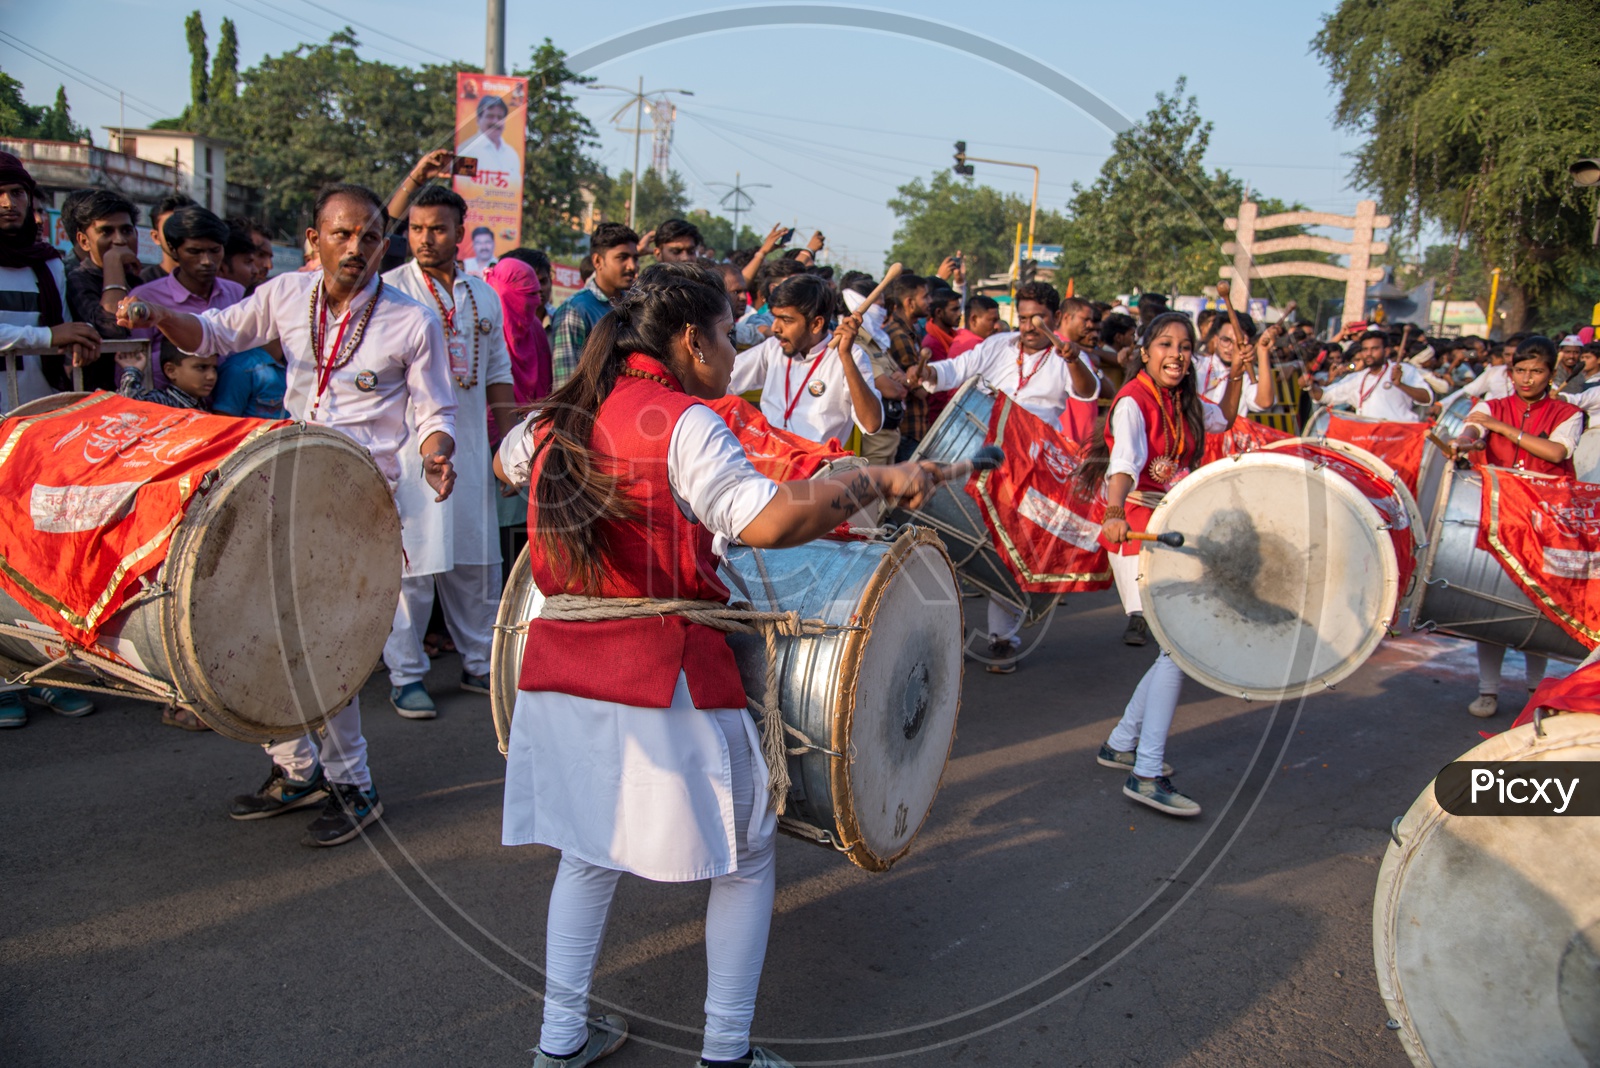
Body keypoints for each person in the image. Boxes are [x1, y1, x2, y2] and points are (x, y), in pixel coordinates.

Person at [492, 266, 938, 1068]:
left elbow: (506, 461)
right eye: (731, 335)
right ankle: (724, 1055)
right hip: (659, 677)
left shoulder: (559, 413)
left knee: (588, 855)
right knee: (745, 858)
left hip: (560, 673)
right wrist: (873, 478)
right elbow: (765, 522)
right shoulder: (686, 423)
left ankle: (558, 1044)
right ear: (691, 342)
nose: (736, 352)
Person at [116, 182, 458, 847]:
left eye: (368, 237)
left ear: (382, 246)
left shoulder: (411, 322)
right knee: (265, 631)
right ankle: (297, 769)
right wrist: (160, 320)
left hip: (356, 504)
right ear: (314, 239)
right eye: (341, 234)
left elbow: (434, 410)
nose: (355, 248)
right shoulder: (282, 296)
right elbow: (211, 336)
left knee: (321, 645)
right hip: (283, 488)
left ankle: (354, 785)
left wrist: (438, 452)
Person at [1077, 312, 1247, 816]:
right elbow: (1124, 463)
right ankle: (1146, 773)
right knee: (1178, 649)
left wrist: (1237, 371)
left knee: (1174, 648)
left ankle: (1121, 742)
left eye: (1186, 346)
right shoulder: (1133, 400)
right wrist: (1111, 513)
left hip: (1171, 526)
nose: (1177, 353)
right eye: (1166, 344)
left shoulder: (1185, 400)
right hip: (1136, 529)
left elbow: (1228, 419)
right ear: (1145, 351)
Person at [909, 281, 1100, 669]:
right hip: (979, 454)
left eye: (1039, 318)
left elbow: (1088, 390)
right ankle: (948, 628)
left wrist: (1074, 361)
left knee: (1006, 549)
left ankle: (1001, 638)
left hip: (1032, 465)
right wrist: (928, 370)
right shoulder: (999, 344)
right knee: (950, 535)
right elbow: (955, 370)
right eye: (1025, 316)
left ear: (1056, 318)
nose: (1030, 326)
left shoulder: (1067, 355)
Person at [381, 184, 515, 719]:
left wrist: (509, 445)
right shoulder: (389, 290)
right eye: (416, 229)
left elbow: (499, 374)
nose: (425, 239)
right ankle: (406, 675)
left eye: (437, 228)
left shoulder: (483, 294)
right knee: (413, 564)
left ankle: (479, 663)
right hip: (410, 445)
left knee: (475, 558)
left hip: (472, 450)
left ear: (462, 233)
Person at [0, 151, 99, 729]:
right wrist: (46, 335)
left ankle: (47, 669)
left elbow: (66, 330)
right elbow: (48, 330)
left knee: (36, 552)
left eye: (17, 192)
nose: (9, 204)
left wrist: (74, 342)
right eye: (0, 193)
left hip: (37, 426)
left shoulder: (49, 265)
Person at [1448, 336, 1583, 720]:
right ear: (1511, 372)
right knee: (1489, 604)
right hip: (1498, 515)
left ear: (1550, 372)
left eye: (1536, 371)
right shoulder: (1493, 405)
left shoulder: (1567, 413)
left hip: (1545, 521)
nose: (1527, 379)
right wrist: (1466, 441)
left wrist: (1498, 428)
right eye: (1521, 371)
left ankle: (1536, 689)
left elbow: (1556, 453)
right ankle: (1487, 690)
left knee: (1536, 607)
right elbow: (1472, 432)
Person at [727, 273, 883, 446]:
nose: (775, 328)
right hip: (771, 459)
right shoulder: (772, 347)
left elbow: (872, 424)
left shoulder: (852, 356)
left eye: (786, 320)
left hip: (817, 469)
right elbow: (725, 379)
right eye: (775, 317)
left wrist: (845, 357)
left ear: (816, 324)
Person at [127, 207, 243, 393]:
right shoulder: (146, 299)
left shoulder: (237, 294)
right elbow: (131, 366)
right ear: (173, 250)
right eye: (194, 251)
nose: (206, 260)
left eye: (214, 250)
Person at [548, 222, 638, 391]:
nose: (632, 266)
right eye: (622, 257)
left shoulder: (634, 306)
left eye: (635, 257)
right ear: (597, 261)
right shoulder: (574, 310)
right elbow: (566, 386)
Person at [1299, 329, 1429, 420]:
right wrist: (1309, 386)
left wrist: (1400, 385)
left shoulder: (1403, 370)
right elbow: (1325, 395)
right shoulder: (1357, 378)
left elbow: (1427, 398)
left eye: (1374, 349)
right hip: (1368, 438)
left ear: (1387, 351)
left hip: (1400, 437)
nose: (1369, 354)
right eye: (1365, 349)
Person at [485, 255, 552, 404]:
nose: (536, 301)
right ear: (505, 293)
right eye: (528, 294)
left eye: (536, 293)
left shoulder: (535, 329)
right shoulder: (484, 328)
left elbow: (545, 386)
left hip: (530, 420)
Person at [883, 273, 932, 460]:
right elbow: (920, 391)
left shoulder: (908, 331)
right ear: (910, 302)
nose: (929, 301)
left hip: (912, 429)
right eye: (925, 297)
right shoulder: (899, 336)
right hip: (908, 429)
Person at [115, 347, 217, 409]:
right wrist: (132, 371)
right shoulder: (161, 401)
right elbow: (129, 409)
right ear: (171, 371)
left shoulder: (202, 404)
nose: (212, 376)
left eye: (215, 369)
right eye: (201, 367)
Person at [458, 95, 523, 192]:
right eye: (490, 116)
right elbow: (462, 189)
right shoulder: (466, 151)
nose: (495, 122)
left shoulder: (512, 154)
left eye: (500, 117)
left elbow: (516, 190)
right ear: (478, 120)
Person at [142, 191, 198, 282]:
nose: (182, 234)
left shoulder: (213, 282)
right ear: (156, 237)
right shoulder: (142, 284)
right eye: (172, 228)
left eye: (189, 227)